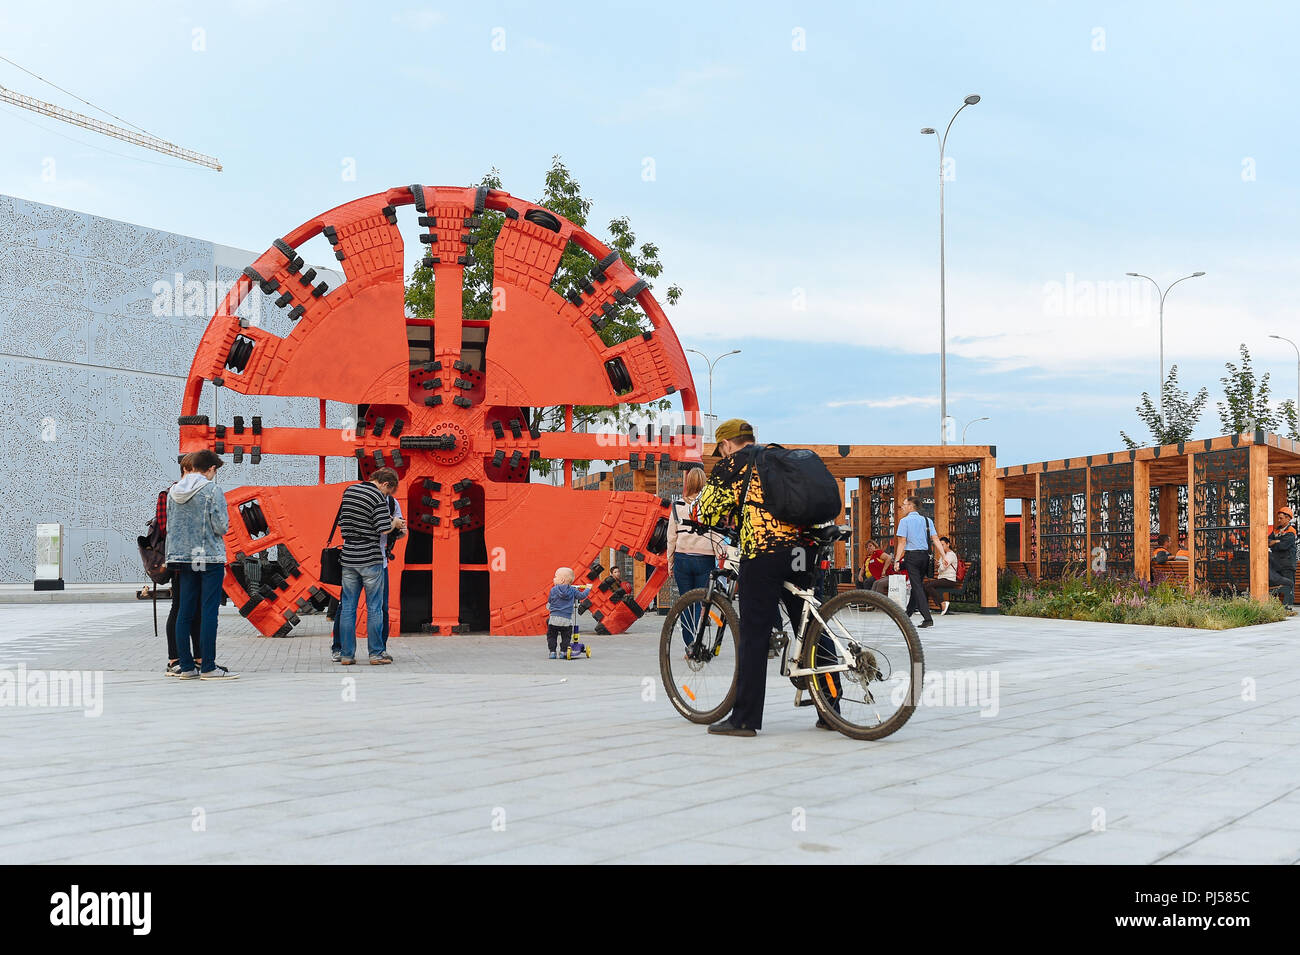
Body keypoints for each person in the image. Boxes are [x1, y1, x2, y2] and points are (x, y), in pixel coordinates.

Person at [695, 418, 819, 737]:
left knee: (754, 635)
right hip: (802, 551)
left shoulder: (732, 466)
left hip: (764, 552)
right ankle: (831, 706)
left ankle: (745, 719)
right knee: (809, 623)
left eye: (721, 450)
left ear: (725, 445)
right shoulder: (777, 457)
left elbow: (706, 511)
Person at [166, 449, 236, 680]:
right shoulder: (212, 490)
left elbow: (171, 526)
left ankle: (186, 667)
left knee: (185, 611)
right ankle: (208, 666)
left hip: (183, 558)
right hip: (208, 556)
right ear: (210, 468)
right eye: (214, 470)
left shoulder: (173, 492)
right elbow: (221, 526)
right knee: (208, 612)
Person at [336, 467, 405, 665]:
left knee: (348, 606)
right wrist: (396, 523)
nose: (387, 495)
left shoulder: (349, 491)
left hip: (349, 555)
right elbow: (384, 527)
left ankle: (346, 654)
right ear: (385, 484)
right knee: (374, 607)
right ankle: (376, 653)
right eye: (388, 491)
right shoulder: (377, 497)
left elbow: (342, 521)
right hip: (371, 557)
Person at [665, 466, 722, 647]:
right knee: (700, 603)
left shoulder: (677, 506)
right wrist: (720, 557)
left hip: (682, 558)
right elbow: (716, 535)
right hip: (705, 559)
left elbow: (671, 538)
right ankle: (697, 643)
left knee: (685, 603)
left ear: (688, 483)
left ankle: (689, 644)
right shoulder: (710, 507)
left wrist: (670, 562)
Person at [160, 454, 203, 676]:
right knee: (179, 608)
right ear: (186, 470)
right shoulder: (170, 494)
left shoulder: (200, 492)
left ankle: (198, 658)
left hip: (197, 558)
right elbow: (165, 525)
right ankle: (174, 659)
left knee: (196, 610)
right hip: (179, 561)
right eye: (197, 470)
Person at [893, 496, 939, 629]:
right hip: (925, 557)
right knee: (916, 586)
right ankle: (907, 615)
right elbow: (935, 539)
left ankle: (927, 618)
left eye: (904, 504)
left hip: (912, 557)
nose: (902, 507)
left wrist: (897, 560)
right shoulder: (927, 520)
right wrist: (943, 556)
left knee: (917, 587)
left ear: (911, 506)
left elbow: (902, 542)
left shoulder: (904, 521)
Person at [546, 567, 590, 658]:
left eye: (555, 577)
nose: (553, 579)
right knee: (566, 637)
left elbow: (550, 600)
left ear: (562, 580)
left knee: (552, 636)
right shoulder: (573, 590)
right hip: (566, 619)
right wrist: (588, 589)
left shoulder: (553, 590)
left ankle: (552, 652)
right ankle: (563, 652)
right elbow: (581, 596)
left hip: (553, 618)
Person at [924, 537, 963, 616]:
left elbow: (942, 568)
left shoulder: (951, 555)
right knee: (924, 585)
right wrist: (939, 565)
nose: (941, 547)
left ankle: (942, 604)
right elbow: (940, 569)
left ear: (948, 544)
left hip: (949, 580)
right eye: (940, 545)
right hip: (943, 579)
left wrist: (939, 565)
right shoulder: (943, 555)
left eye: (943, 545)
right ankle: (924, 607)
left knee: (928, 585)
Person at [1268, 506, 1297, 608]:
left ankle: (1288, 607)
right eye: (1278, 518)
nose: (1279, 520)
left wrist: (1275, 542)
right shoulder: (1276, 531)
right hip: (1278, 564)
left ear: (1288, 518)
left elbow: (1283, 546)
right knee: (1278, 586)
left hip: (1288, 565)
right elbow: (1267, 541)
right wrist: (1276, 542)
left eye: (1281, 518)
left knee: (1289, 586)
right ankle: (1278, 607)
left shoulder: (1291, 532)